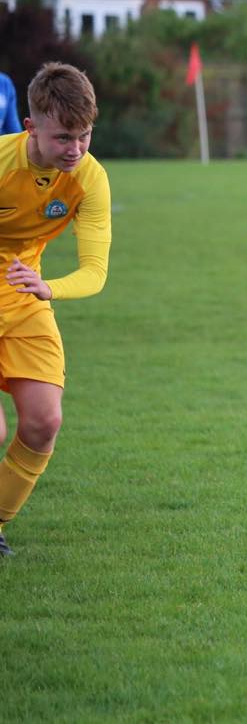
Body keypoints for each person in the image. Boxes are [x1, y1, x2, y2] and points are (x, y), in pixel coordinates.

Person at [0, 62, 112, 557]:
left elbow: (95, 271)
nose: (76, 150)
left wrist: (48, 288)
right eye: (64, 138)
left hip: (26, 295)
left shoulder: (90, 179)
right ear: (30, 128)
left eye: (84, 137)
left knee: (44, 422)